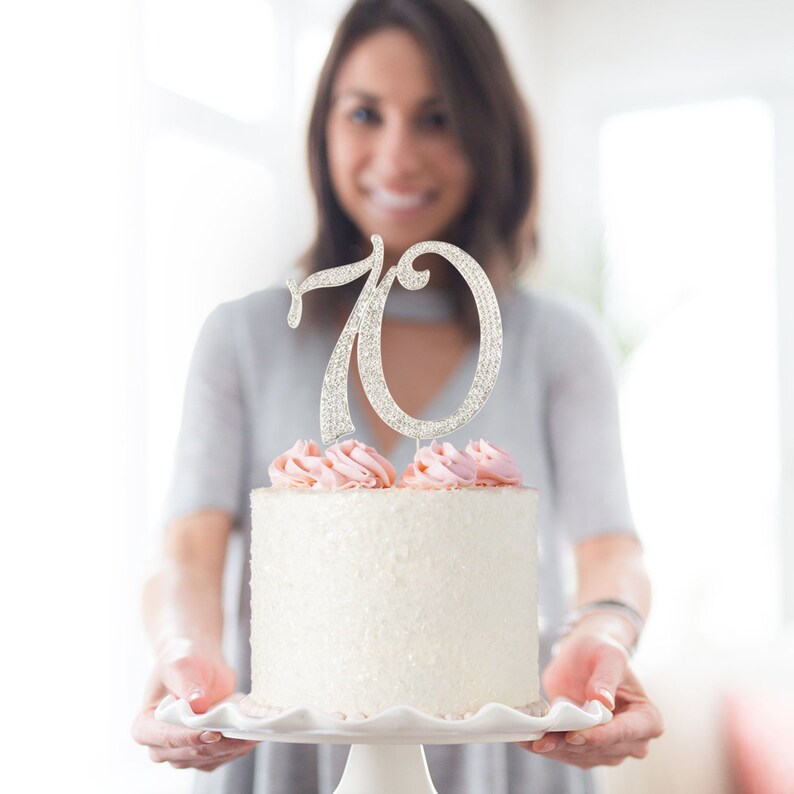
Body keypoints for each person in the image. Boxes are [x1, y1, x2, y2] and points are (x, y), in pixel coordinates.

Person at [131, 0, 664, 791]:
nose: (396, 155)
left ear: (488, 133)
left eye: (437, 118)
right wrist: (183, 651)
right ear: (323, 131)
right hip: (291, 765)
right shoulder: (243, 339)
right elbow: (188, 552)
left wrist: (607, 632)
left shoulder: (560, 344)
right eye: (365, 114)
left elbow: (610, 548)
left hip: (502, 769)